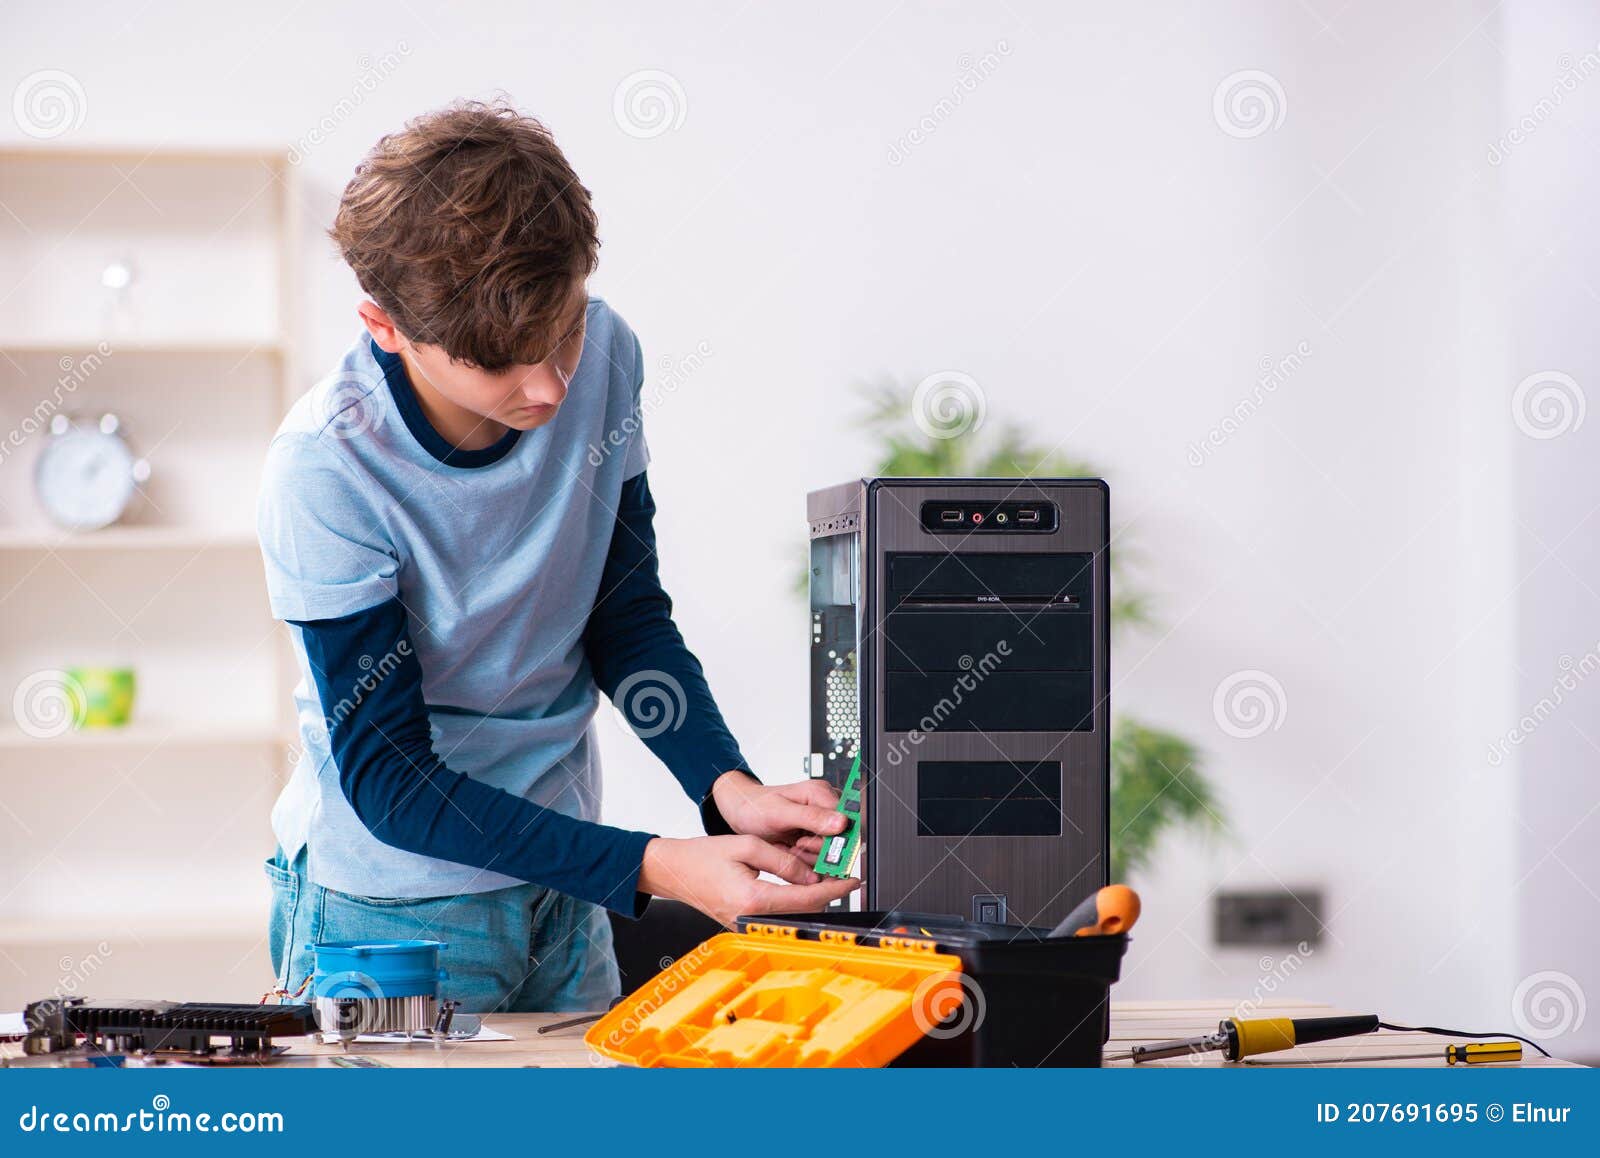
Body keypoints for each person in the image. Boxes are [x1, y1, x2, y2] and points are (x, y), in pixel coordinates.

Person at [257, 101, 858, 1013]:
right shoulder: (327, 469)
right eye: (500, 363)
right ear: (385, 327)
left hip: (567, 882)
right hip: (392, 908)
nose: (550, 387)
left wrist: (723, 786)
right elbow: (390, 781)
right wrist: (656, 866)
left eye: (563, 332)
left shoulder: (608, 352)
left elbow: (622, 616)